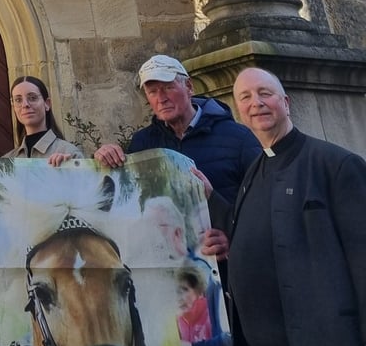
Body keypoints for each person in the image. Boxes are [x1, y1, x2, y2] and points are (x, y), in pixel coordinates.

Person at [199, 67, 366, 346]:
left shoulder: (336, 166)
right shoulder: (254, 172)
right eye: (245, 97)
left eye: (265, 93)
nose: (256, 103)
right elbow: (256, 231)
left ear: (285, 102)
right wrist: (212, 201)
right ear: (239, 111)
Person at [93, 55, 259, 227]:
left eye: (168, 87)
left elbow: (261, 208)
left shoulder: (239, 138)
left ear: (188, 86)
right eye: (152, 92)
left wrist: (229, 238)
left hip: (227, 251)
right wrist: (103, 163)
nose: (161, 98)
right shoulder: (141, 144)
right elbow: (121, 204)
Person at [0, 76, 81, 166]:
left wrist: (70, 170)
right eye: (18, 100)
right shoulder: (7, 161)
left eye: (32, 98)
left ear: (47, 104)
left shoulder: (69, 153)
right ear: (13, 106)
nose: (25, 105)